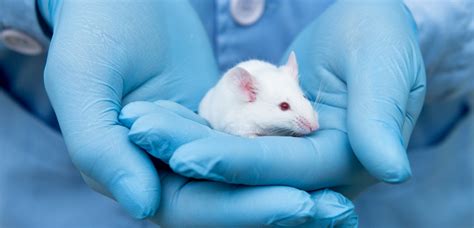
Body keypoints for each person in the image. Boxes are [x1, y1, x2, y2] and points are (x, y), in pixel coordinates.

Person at [0, 0, 472, 227]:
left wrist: (419, 15)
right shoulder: (240, 100)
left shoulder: (283, 95)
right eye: (288, 108)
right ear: (248, 93)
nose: (308, 121)